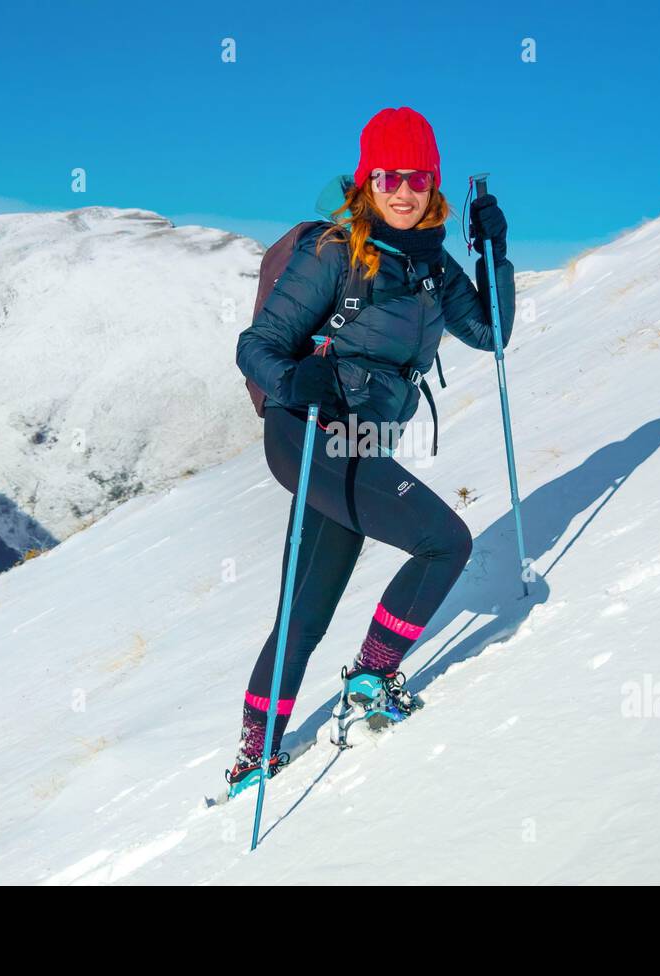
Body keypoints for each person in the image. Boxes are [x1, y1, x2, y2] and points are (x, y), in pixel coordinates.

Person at [230, 105, 513, 797]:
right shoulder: (334, 250)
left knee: (307, 608)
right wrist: (295, 377)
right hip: (308, 429)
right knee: (445, 541)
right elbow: (255, 346)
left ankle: (252, 757)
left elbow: (492, 333)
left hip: (362, 439)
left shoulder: (433, 265)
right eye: (387, 176)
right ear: (367, 181)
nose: (403, 190)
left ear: (434, 182)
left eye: (417, 176)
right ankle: (373, 673)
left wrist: (492, 254)